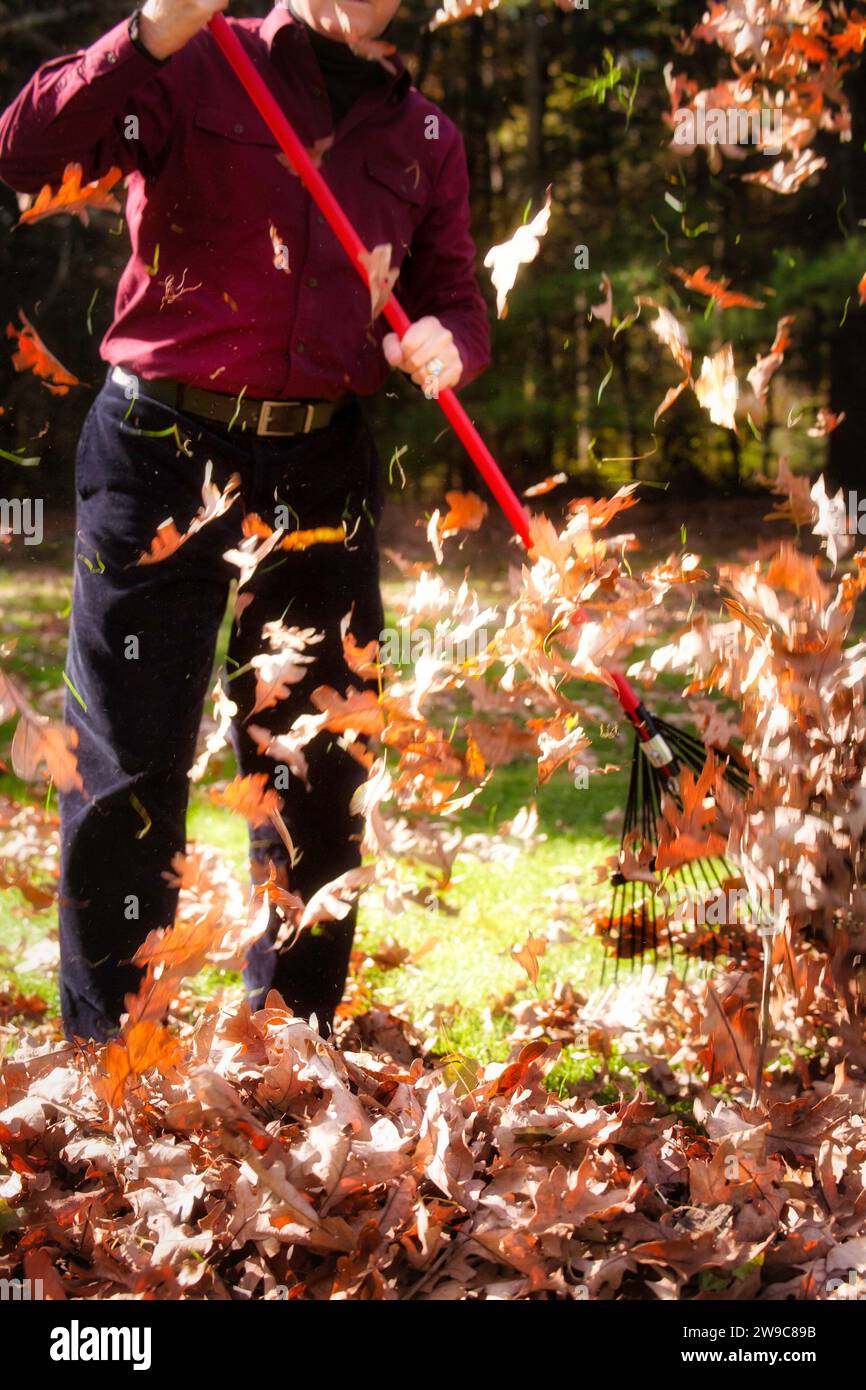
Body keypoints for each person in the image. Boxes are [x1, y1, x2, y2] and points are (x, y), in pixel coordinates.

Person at [0, 0, 490, 1041]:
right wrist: (147, 34)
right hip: (161, 448)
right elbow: (24, 149)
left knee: (316, 756)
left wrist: (450, 337)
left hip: (322, 458)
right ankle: (110, 1057)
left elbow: (455, 289)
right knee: (132, 762)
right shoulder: (195, 62)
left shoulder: (425, 137)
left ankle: (291, 1044)